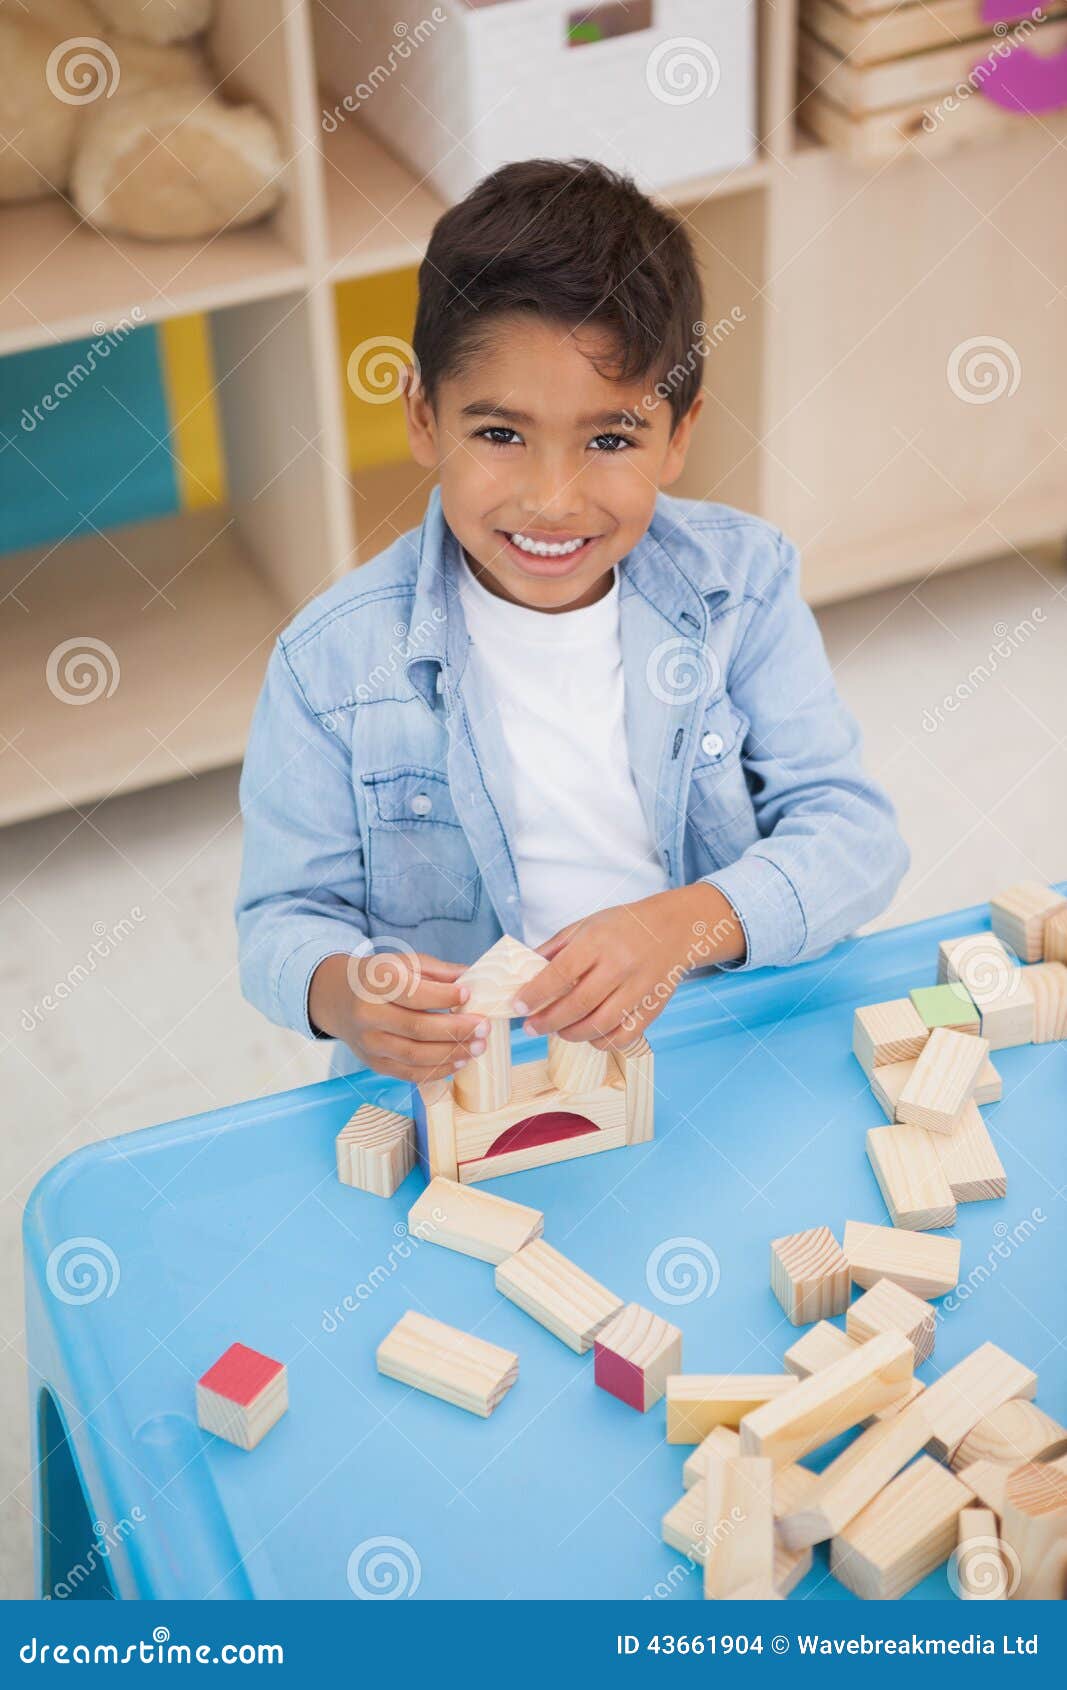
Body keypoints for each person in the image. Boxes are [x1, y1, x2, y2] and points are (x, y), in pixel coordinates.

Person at [234, 158, 909, 1084]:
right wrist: (340, 992)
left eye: (609, 440)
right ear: (425, 420)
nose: (553, 501)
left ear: (678, 435)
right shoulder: (327, 662)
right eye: (501, 435)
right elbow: (282, 920)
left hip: (713, 1032)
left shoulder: (742, 588)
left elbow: (855, 838)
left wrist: (682, 926)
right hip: (469, 1082)